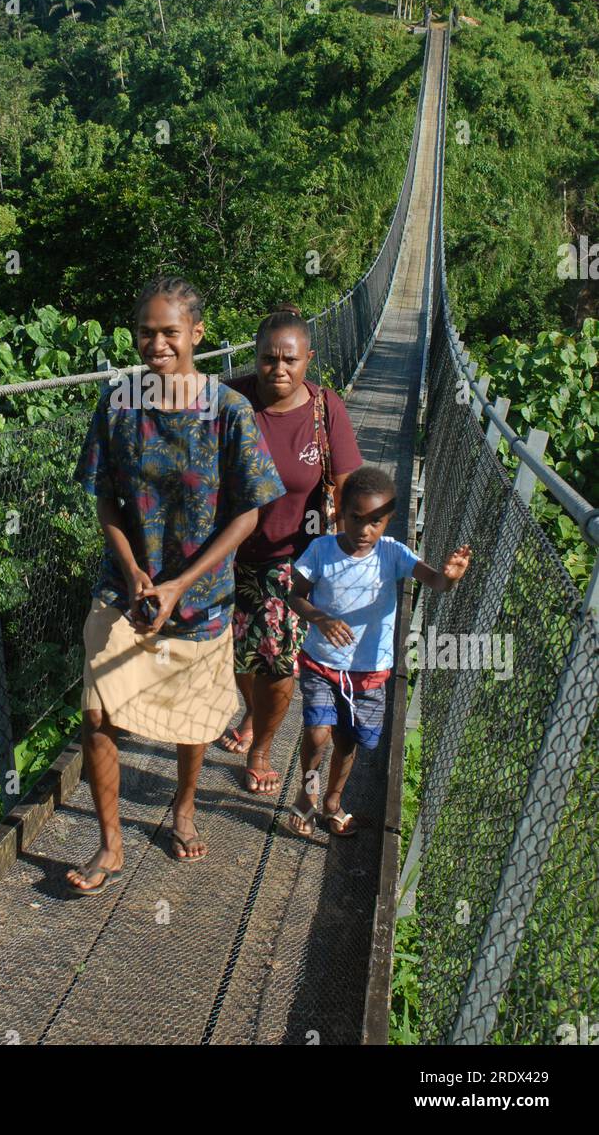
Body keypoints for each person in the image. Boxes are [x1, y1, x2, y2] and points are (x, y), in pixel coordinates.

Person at [66, 276, 286, 894]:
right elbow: (105, 499)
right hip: (125, 591)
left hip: (202, 595)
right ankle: (109, 846)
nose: (157, 344)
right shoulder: (118, 404)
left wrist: (183, 582)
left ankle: (184, 809)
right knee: (97, 713)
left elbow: (249, 509)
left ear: (196, 333)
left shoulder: (229, 410)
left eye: (170, 331)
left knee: (193, 718)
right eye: (146, 331)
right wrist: (135, 570)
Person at [220, 305, 362, 794]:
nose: (278, 370)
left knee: (277, 662)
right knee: (235, 656)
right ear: (254, 357)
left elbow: (346, 487)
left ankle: (260, 745)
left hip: (292, 557)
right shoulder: (228, 399)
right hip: (226, 551)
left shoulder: (325, 409)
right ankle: (252, 713)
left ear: (308, 360)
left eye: (289, 360)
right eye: (267, 359)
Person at [285, 464, 471, 837]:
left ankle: (333, 802)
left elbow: (432, 579)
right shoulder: (321, 551)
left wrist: (448, 578)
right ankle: (307, 795)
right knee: (317, 733)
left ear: (389, 521)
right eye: (356, 518)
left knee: (349, 741)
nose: (365, 531)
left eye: (376, 522)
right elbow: (295, 595)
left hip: (370, 671)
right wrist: (319, 618)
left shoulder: (392, 554)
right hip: (322, 663)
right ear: (340, 510)